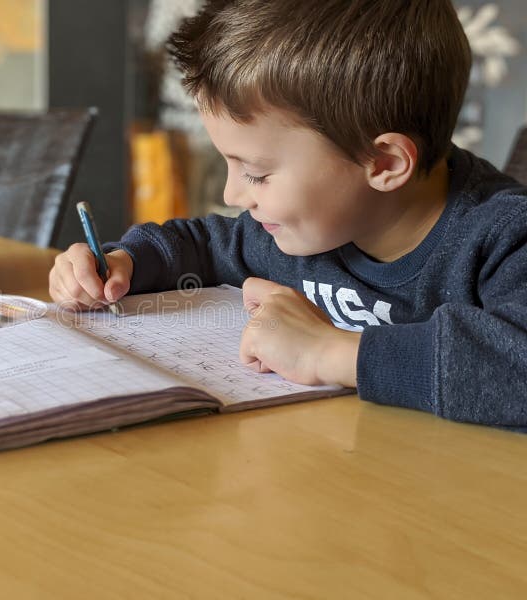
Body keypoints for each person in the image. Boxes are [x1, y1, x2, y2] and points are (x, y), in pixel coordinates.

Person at [49, 0, 527, 428]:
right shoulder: (302, 227)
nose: (234, 194)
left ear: (382, 164)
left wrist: (331, 353)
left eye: (255, 173)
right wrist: (123, 264)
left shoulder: (503, 237)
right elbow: (202, 244)